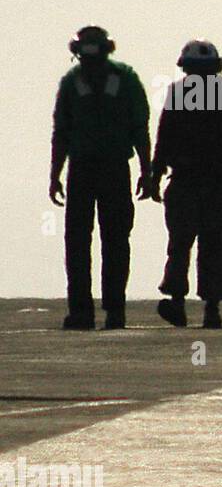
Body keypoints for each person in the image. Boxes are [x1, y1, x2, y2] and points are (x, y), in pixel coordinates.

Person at [152, 40, 222, 329]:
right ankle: (211, 307)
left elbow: (164, 138)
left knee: (180, 243)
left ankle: (178, 300)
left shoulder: (178, 93)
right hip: (221, 182)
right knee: (215, 244)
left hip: (189, 180)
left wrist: (154, 174)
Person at [49, 26, 152, 330]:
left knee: (99, 240)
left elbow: (62, 133)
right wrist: (146, 171)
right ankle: (102, 310)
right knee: (104, 240)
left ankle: (93, 310)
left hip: (100, 169)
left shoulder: (117, 78)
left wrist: (55, 175)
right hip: (99, 170)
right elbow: (140, 129)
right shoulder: (114, 79)